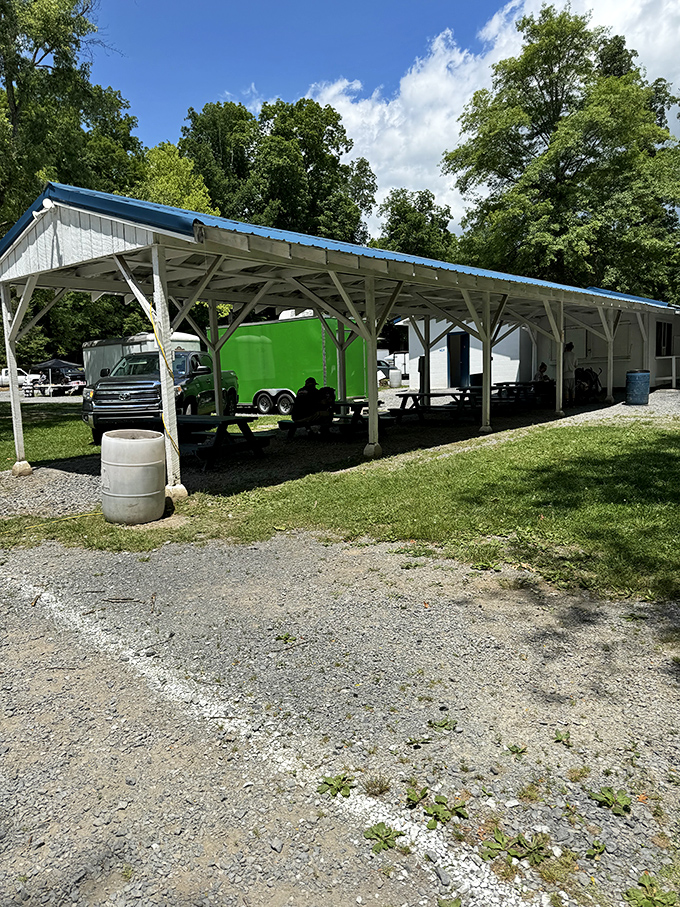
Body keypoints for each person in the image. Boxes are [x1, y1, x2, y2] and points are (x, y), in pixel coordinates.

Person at [563, 342, 578, 407]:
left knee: (566, 389)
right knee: (572, 389)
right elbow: (576, 364)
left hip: (565, 373)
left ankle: (567, 401)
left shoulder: (564, 355)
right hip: (572, 374)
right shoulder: (574, 355)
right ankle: (573, 401)